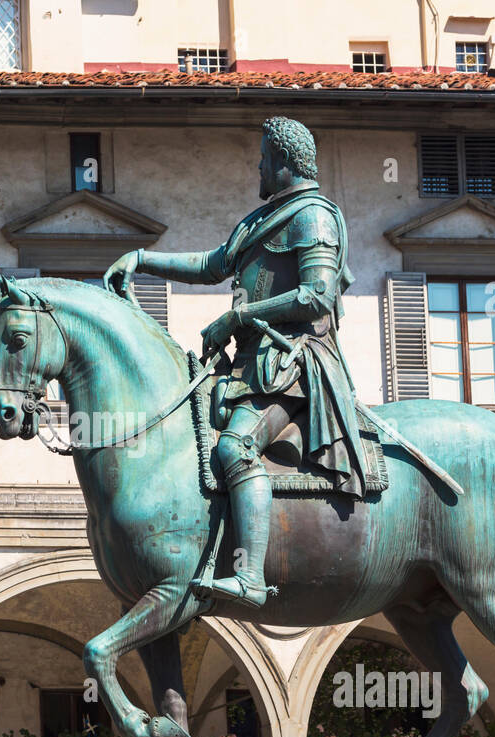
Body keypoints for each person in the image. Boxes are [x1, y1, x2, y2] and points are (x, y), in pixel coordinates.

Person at [104, 117, 366, 608]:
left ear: (285, 163)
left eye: (265, 157)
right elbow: (210, 265)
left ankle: (248, 574)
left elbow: (317, 296)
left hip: (294, 365)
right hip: (251, 366)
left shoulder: (313, 217)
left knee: (234, 448)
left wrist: (239, 315)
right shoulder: (260, 219)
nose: (259, 165)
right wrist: (142, 258)